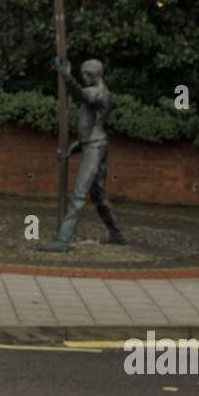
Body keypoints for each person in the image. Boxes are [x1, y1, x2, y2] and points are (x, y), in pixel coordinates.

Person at [40, 57, 128, 253]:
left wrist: (67, 76)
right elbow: (90, 129)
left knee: (79, 194)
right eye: (83, 73)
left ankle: (62, 241)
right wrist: (73, 149)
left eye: (86, 74)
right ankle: (117, 234)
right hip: (93, 145)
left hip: (95, 147)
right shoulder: (95, 91)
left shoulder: (99, 93)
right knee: (98, 196)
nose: (84, 76)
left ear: (96, 74)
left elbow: (80, 94)